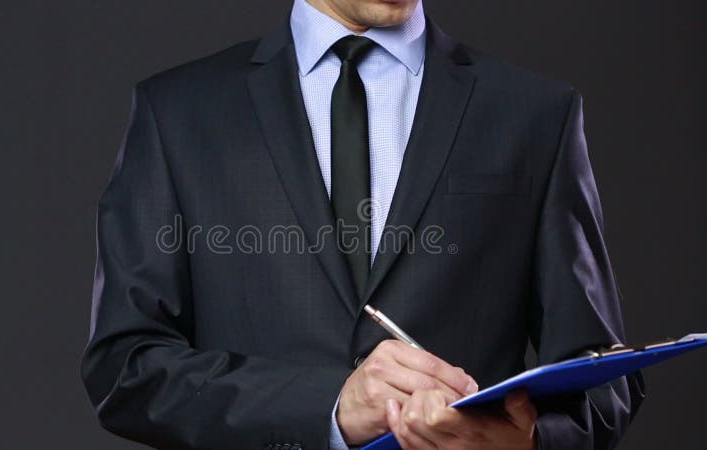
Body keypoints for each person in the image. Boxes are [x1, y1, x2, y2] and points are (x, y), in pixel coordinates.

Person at [81, 0, 644, 448]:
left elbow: (604, 377)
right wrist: (327, 406)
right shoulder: (177, 112)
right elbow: (125, 367)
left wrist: (528, 442)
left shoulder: (535, 113)